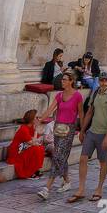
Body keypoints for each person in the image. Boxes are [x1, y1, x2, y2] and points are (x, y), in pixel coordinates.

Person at [67, 72, 107, 203]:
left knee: (102, 161)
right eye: (101, 80)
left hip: (104, 132)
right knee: (83, 158)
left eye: (105, 80)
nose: (103, 82)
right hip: (92, 131)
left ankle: (99, 189)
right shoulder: (95, 93)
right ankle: (81, 189)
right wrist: (82, 130)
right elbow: (90, 112)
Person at [37, 70, 85, 200]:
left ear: (71, 81)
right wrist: (41, 119)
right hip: (58, 128)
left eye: (64, 80)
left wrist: (83, 130)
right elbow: (50, 109)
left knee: (58, 155)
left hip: (69, 129)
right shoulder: (59, 95)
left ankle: (47, 188)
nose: (62, 81)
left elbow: (81, 113)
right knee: (60, 156)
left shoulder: (77, 96)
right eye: (62, 79)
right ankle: (67, 181)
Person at [7, 109, 45, 179]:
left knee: (40, 148)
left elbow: (37, 140)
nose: (38, 119)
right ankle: (28, 172)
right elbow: (33, 142)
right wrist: (36, 129)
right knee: (36, 148)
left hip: (25, 147)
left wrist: (36, 134)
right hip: (17, 151)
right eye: (36, 117)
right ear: (32, 119)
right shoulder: (23, 129)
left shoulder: (30, 127)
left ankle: (34, 169)